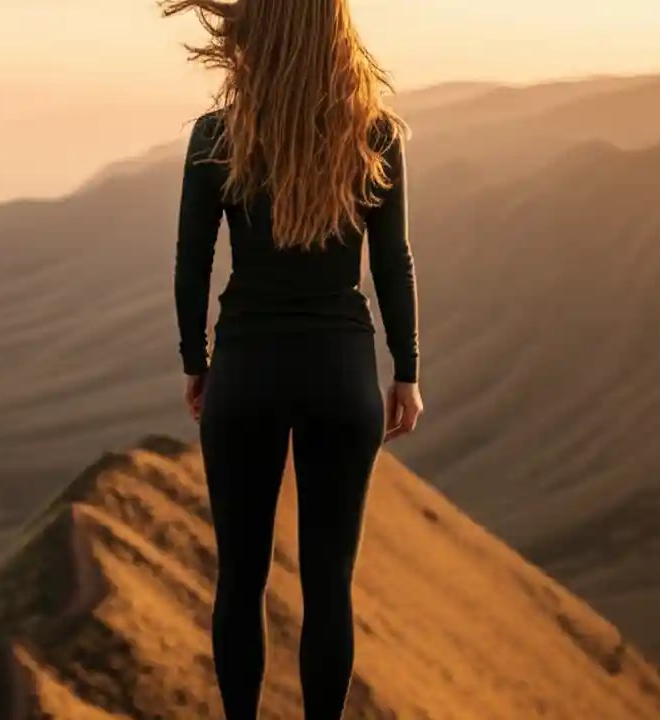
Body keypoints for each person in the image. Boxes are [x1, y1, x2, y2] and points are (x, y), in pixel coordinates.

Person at [162, 0, 424, 717]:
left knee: (239, 580)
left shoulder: (219, 136)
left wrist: (198, 362)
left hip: (245, 370)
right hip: (342, 374)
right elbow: (392, 262)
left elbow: (192, 262)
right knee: (329, 584)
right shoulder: (373, 133)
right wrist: (407, 370)